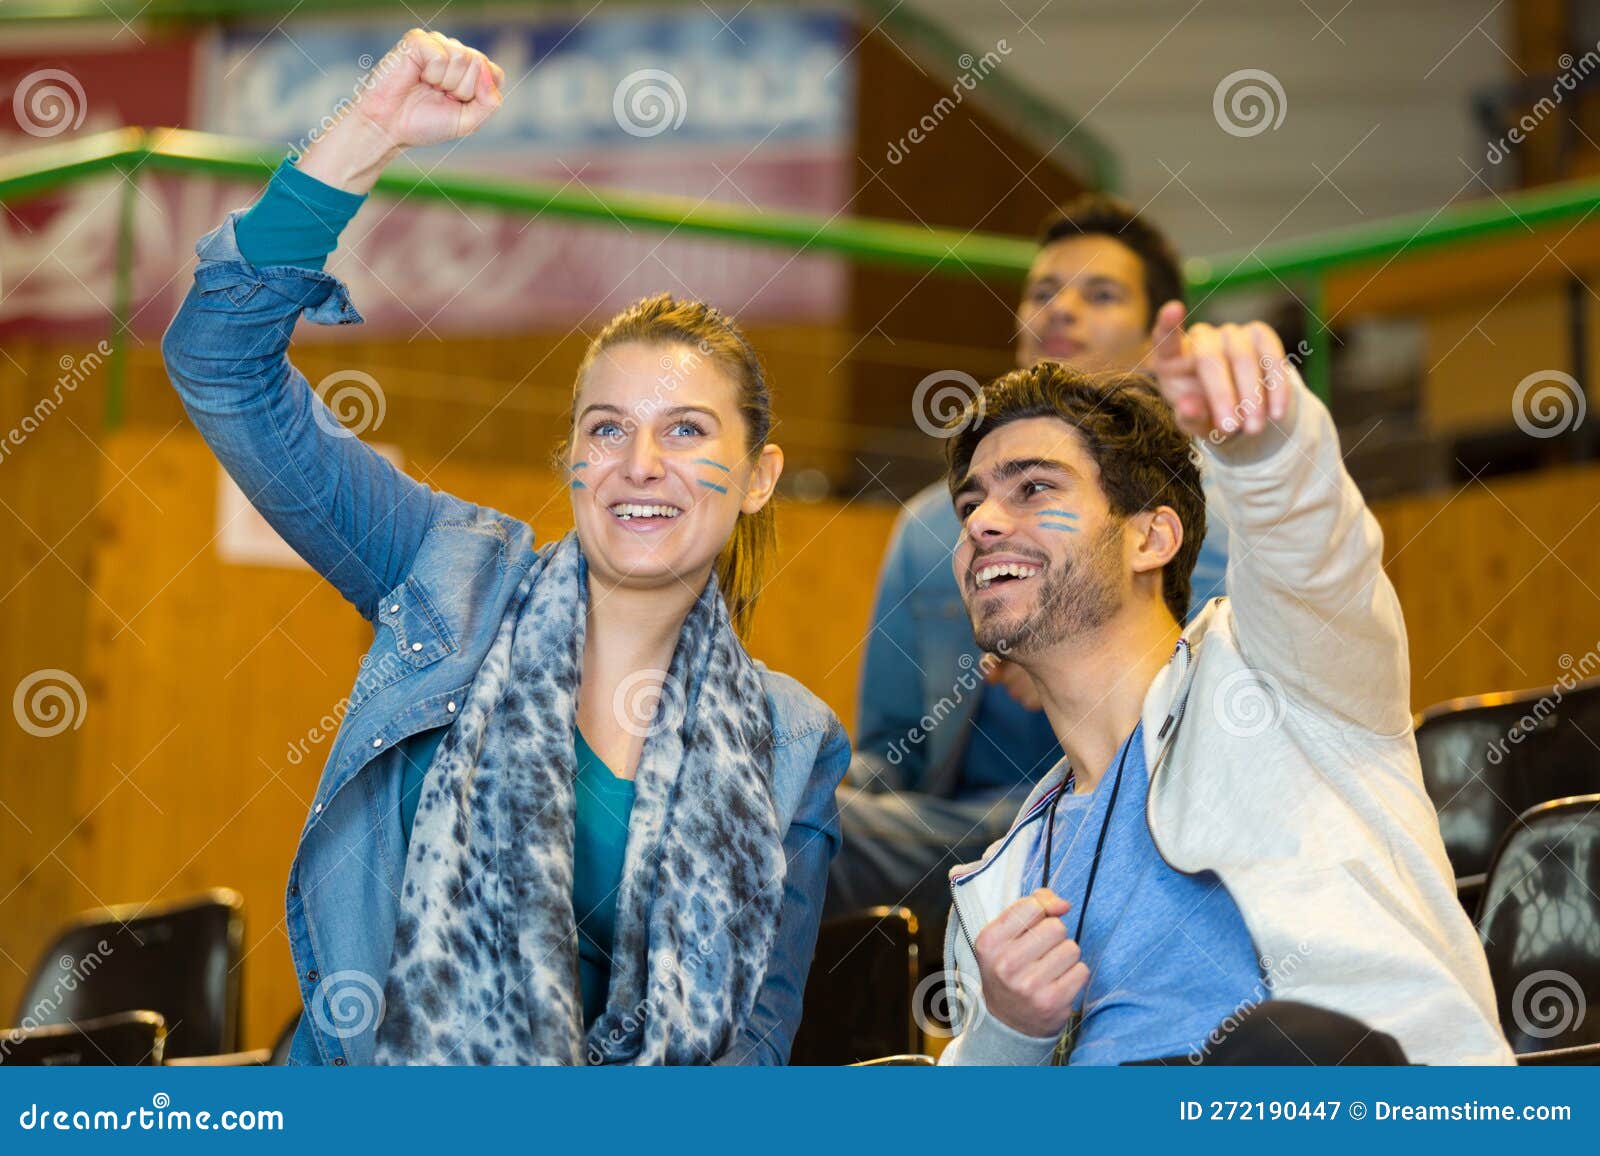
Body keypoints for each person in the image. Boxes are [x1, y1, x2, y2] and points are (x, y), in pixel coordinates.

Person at [161, 29, 848, 1065]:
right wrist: (368, 133)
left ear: (757, 478)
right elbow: (220, 364)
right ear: (571, 460)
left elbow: (746, 1057)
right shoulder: (448, 571)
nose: (641, 462)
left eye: (687, 430)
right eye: (607, 427)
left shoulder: (795, 742)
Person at [933, 312, 1513, 1065]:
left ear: (1152, 536)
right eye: (970, 504)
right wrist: (1006, 1033)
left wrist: (1265, 446)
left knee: (1282, 1045)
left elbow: (1313, 554)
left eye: (1033, 488)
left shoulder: (1285, 681)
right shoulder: (998, 883)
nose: (983, 522)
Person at [827, 196, 1229, 951]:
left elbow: (1219, 718)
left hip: (1134, 812)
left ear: (1160, 335)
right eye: (1042, 291)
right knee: (792, 823)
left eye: (1100, 294)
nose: (1061, 308)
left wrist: (1061, 669)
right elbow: (890, 756)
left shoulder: (1216, 511)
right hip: (949, 831)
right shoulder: (928, 529)